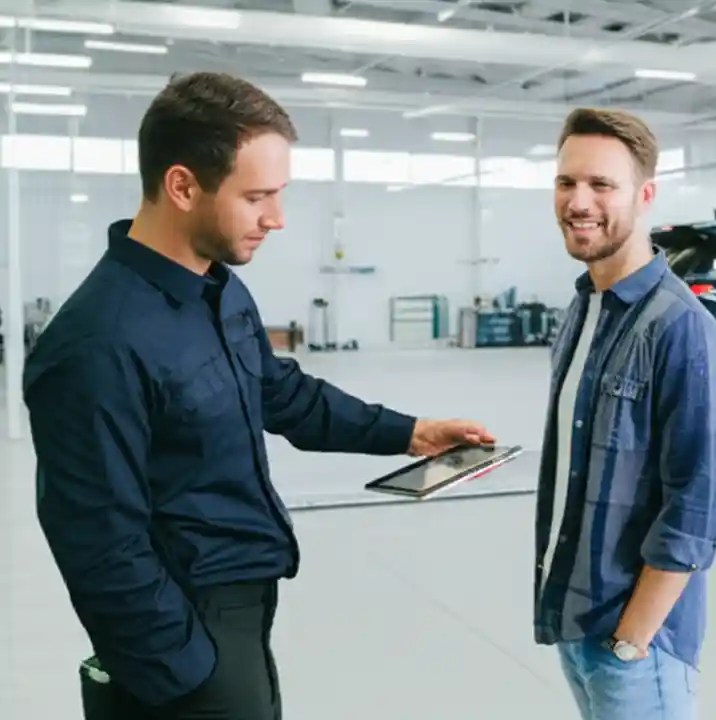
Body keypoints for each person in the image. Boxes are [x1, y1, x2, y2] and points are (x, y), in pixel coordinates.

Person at [22, 72, 494, 720]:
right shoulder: (96, 344)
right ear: (183, 185)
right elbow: (99, 542)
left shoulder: (218, 286)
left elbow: (282, 394)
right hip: (184, 642)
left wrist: (412, 432)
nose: (277, 218)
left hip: (241, 610)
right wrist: (187, 671)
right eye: (258, 197)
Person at [533, 107, 716, 719]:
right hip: (577, 619)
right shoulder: (583, 308)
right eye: (567, 182)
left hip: (634, 645)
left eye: (601, 185)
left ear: (645, 195)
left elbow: (695, 512)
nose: (579, 201)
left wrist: (631, 641)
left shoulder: (682, 329)